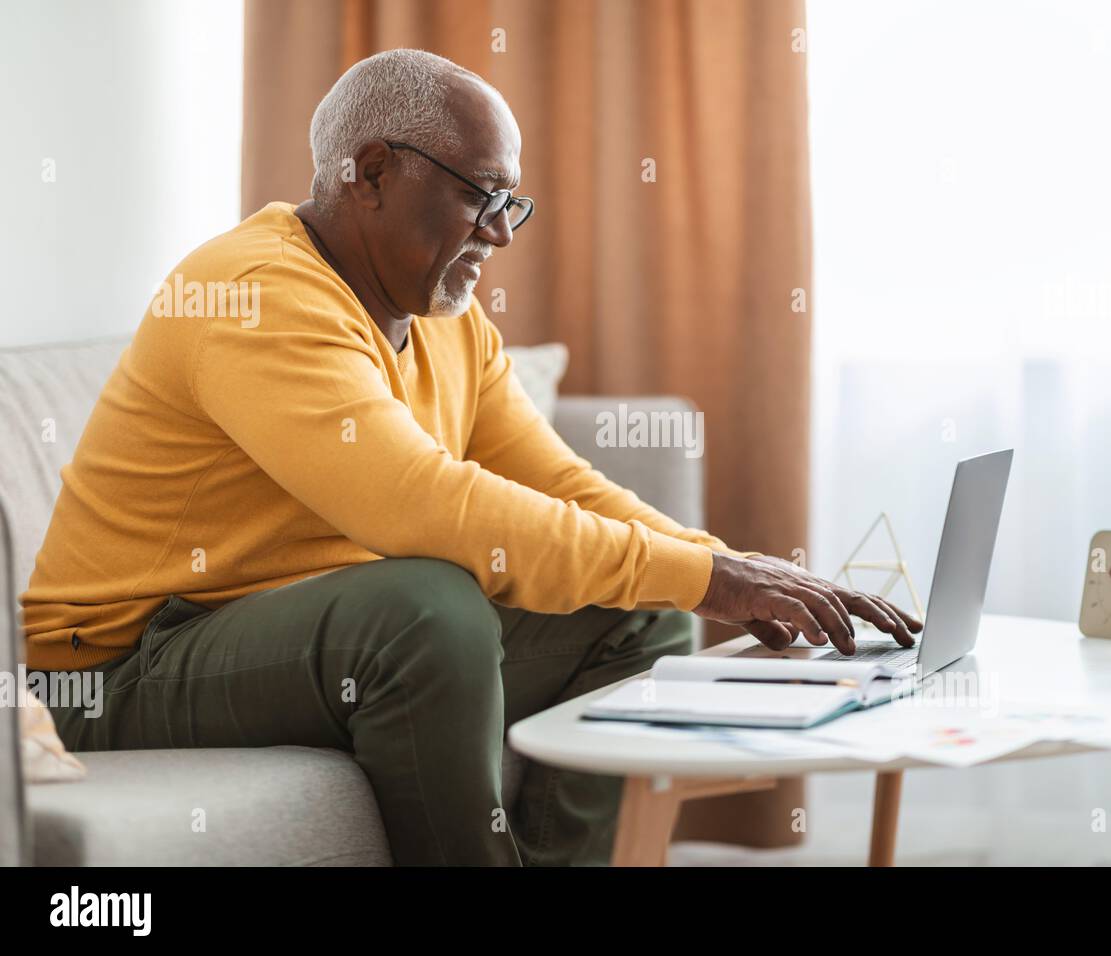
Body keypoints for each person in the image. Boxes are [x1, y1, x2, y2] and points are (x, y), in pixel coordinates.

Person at [22, 49, 920, 865]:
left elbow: (561, 483)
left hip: (270, 629)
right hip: (114, 669)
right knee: (425, 607)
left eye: (512, 203)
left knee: (641, 614)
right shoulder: (255, 296)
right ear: (370, 172)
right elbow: (420, 503)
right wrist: (707, 575)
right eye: (480, 196)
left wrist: (715, 566)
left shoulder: (446, 323)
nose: (502, 233)